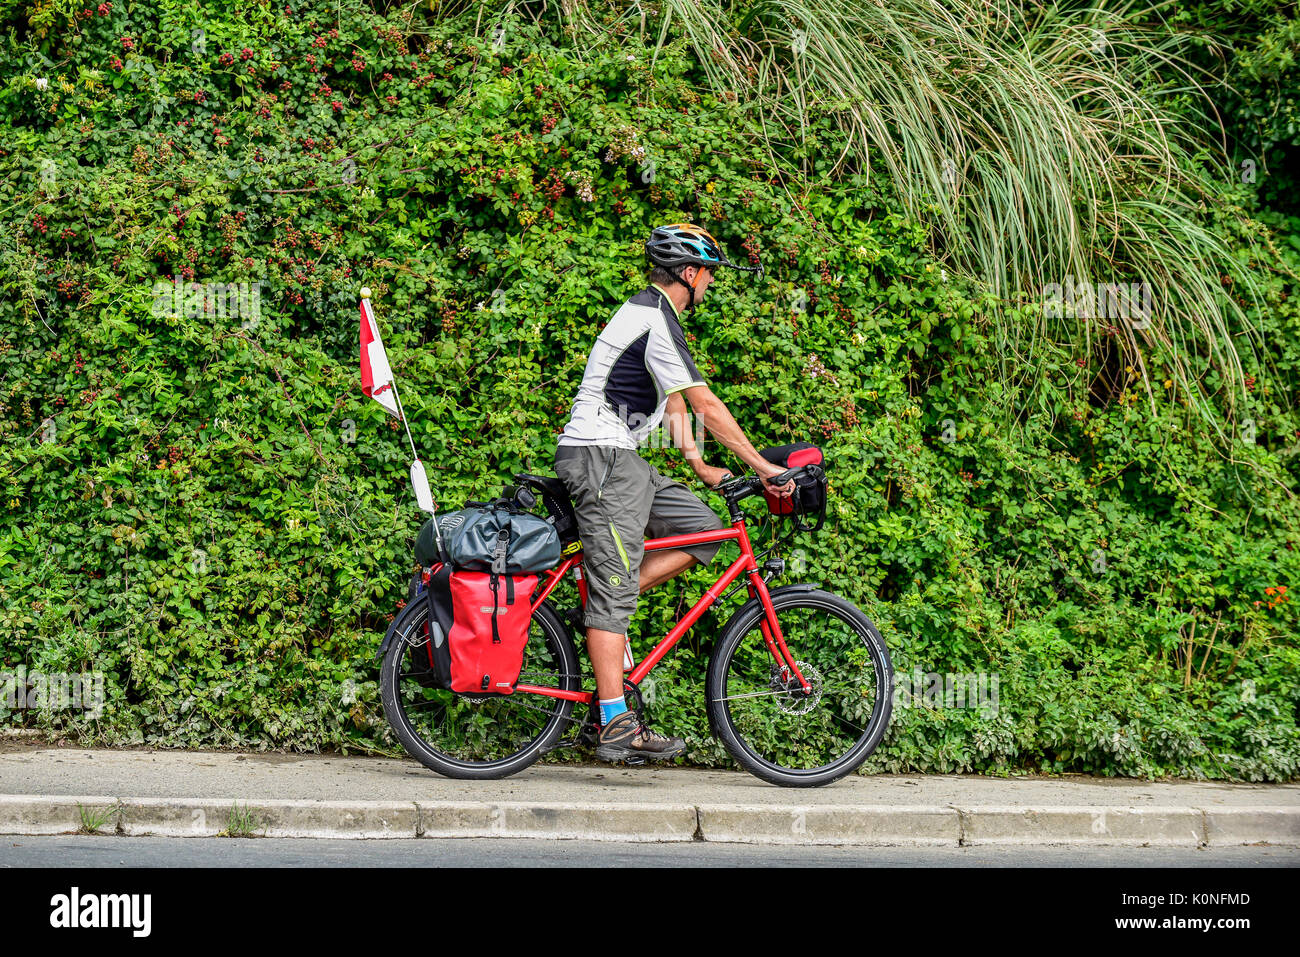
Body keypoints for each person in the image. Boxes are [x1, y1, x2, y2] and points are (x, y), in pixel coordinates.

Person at [553, 223, 794, 763]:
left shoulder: (656, 316)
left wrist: (699, 464)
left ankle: (603, 602)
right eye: (709, 273)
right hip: (601, 457)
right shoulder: (653, 318)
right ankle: (615, 720)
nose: (711, 283)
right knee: (614, 590)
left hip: (620, 459)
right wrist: (760, 466)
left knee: (702, 530)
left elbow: (678, 402)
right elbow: (705, 402)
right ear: (690, 273)